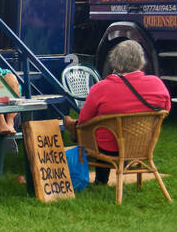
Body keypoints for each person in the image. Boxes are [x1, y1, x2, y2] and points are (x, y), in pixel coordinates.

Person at [63, 41, 170, 181]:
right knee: (101, 130)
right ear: (141, 60)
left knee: (89, 128)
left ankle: (100, 178)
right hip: (142, 145)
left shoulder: (101, 88)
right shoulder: (157, 84)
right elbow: (166, 109)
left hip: (107, 148)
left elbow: (84, 119)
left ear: (115, 62)